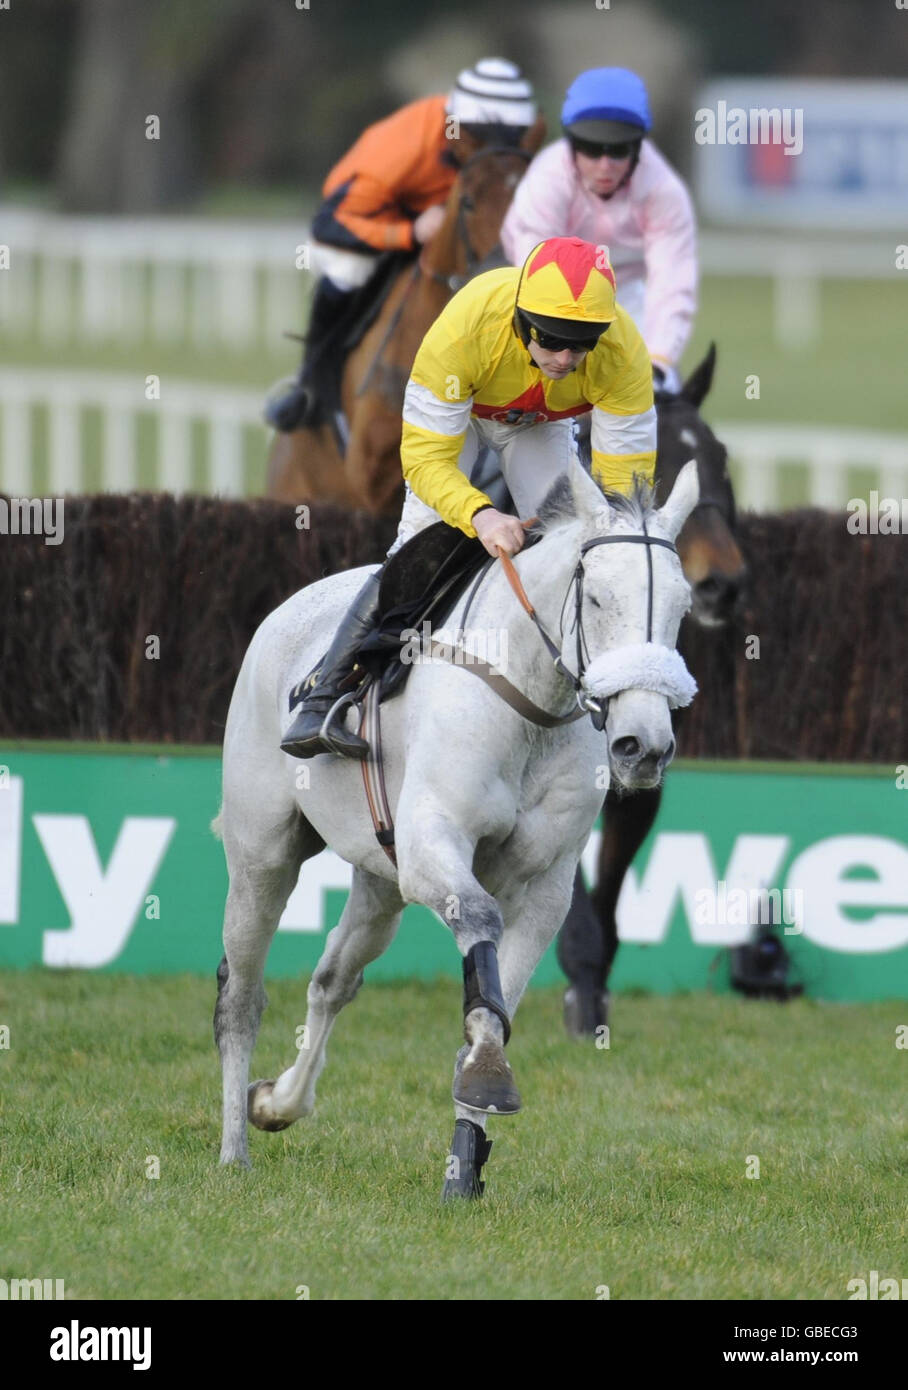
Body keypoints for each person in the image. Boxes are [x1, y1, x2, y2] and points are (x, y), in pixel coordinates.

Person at [281, 235, 656, 760]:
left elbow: (623, 493)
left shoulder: (623, 352)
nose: (565, 358)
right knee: (419, 542)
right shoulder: (468, 325)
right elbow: (427, 460)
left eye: (581, 343)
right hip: (461, 415)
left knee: (582, 541)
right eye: (549, 340)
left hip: (539, 426)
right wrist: (479, 514)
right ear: (522, 320)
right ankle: (323, 695)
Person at [266, 58, 537, 431]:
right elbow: (329, 224)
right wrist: (409, 233)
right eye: (479, 139)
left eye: (507, 142)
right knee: (348, 271)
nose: (492, 154)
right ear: (457, 125)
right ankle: (310, 384)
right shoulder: (403, 148)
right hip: (367, 226)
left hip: (447, 222)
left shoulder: (486, 146)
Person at [500, 67, 697, 394]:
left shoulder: (665, 190)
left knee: (663, 398)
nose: (605, 165)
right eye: (592, 149)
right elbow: (533, 272)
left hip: (627, 295)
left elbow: (672, 282)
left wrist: (659, 362)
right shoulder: (546, 179)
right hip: (547, 293)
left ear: (636, 149)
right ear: (572, 145)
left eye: (618, 150)